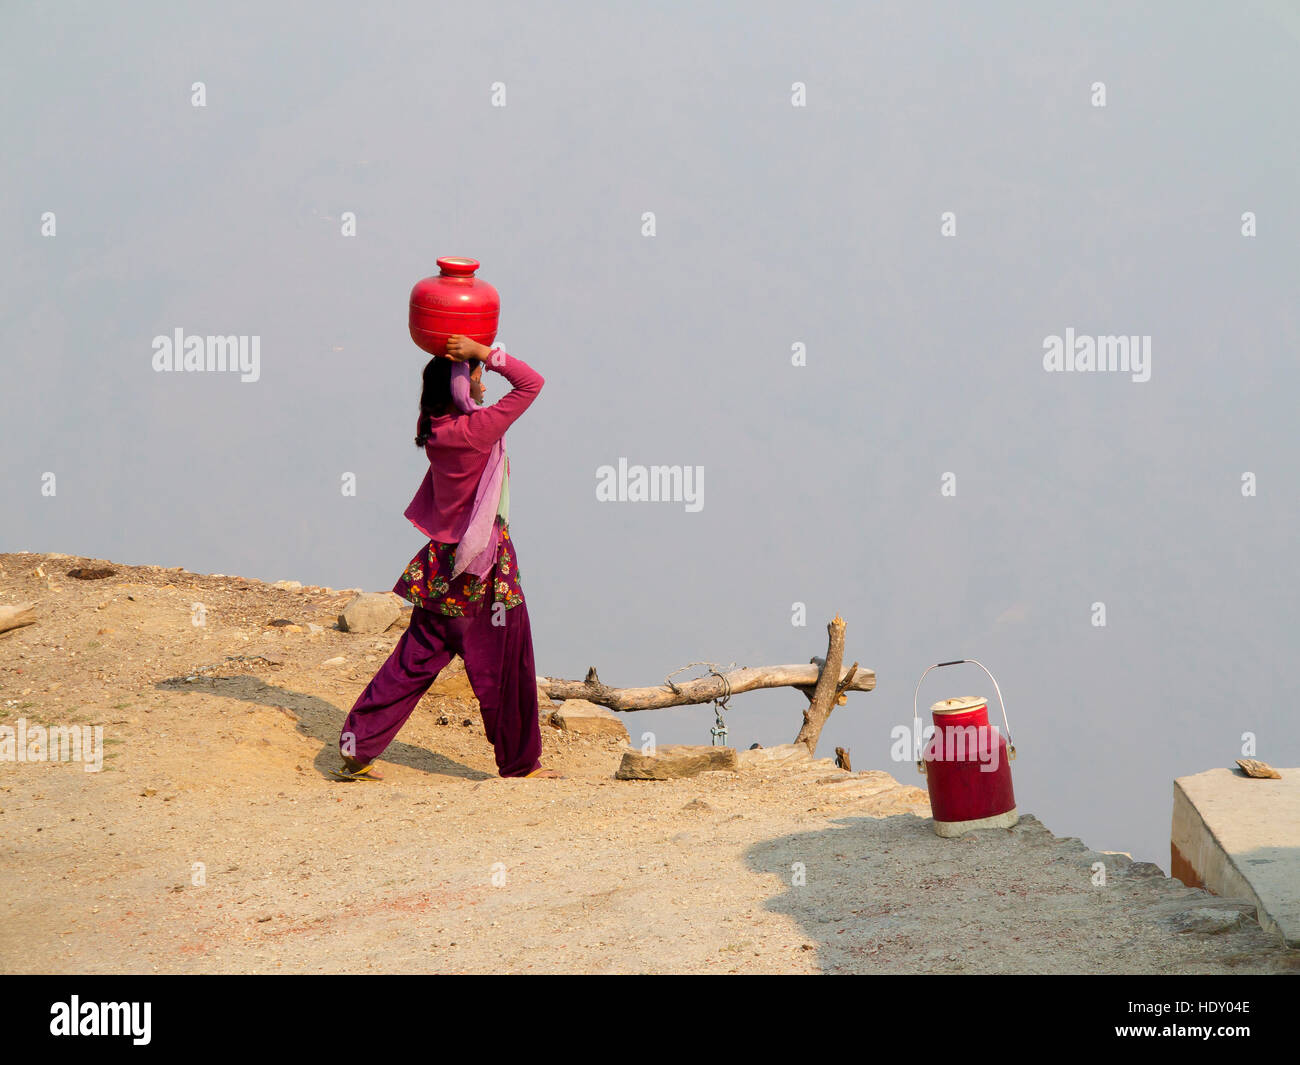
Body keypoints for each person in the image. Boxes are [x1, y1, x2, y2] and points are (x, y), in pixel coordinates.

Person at [330, 335, 561, 780]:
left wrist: (466, 360)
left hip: (440, 569)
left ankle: (356, 746)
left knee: (412, 662)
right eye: (477, 376)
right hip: (482, 574)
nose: (484, 383)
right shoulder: (476, 432)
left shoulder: (435, 427)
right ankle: (520, 765)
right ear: (460, 384)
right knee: (504, 668)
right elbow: (532, 383)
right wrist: (484, 351)